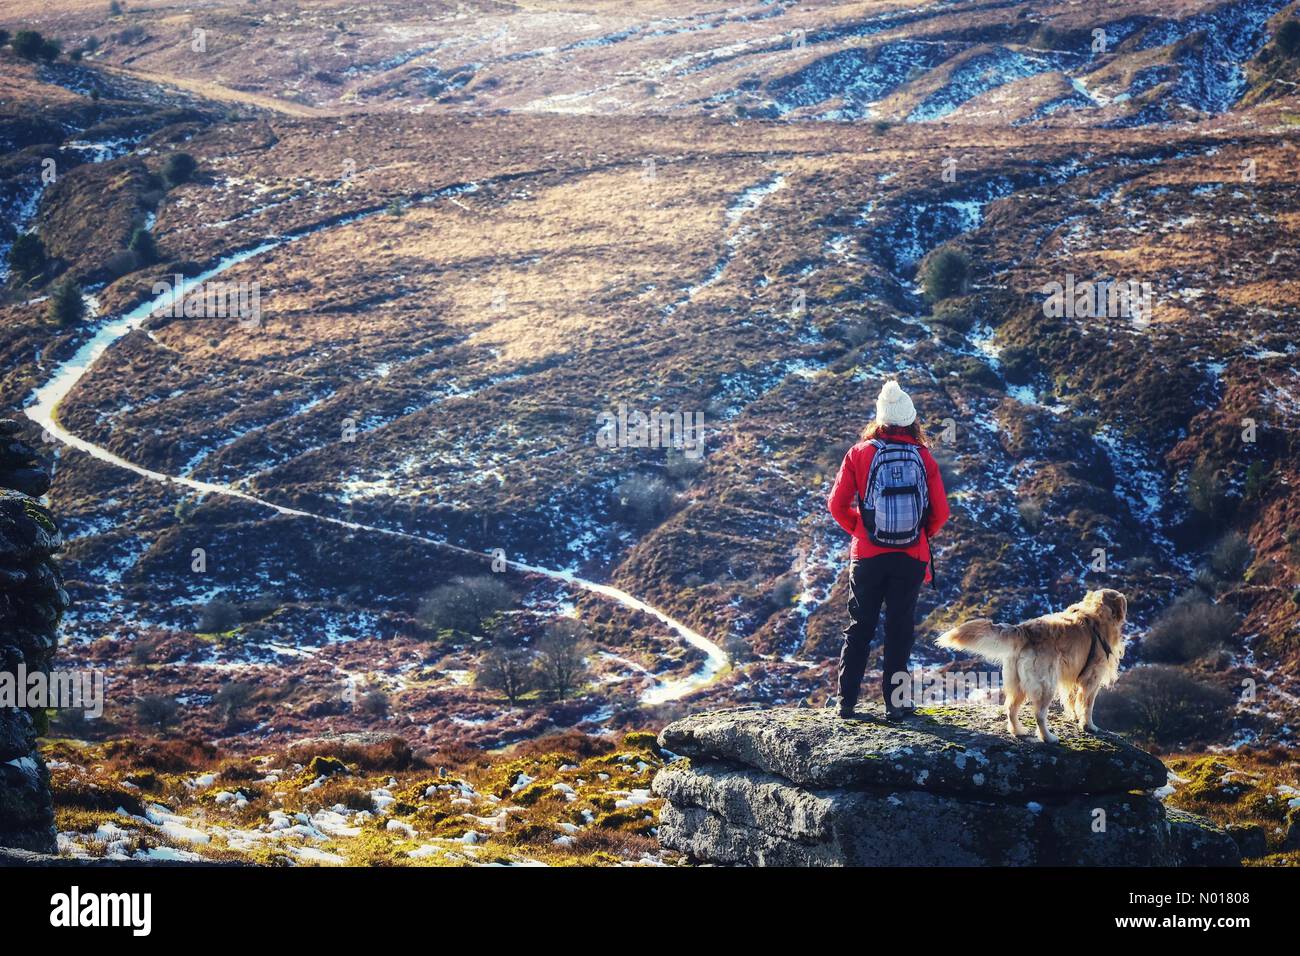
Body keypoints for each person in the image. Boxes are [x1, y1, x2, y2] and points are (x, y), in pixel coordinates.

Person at [827, 380, 950, 719]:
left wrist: (864, 531)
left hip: (867, 556)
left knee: (859, 628)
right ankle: (896, 704)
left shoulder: (859, 453)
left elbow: (836, 505)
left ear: (879, 420)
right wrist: (917, 535)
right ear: (911, 420)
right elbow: (941, 512)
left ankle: (846, 702)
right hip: (910, 557)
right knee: (899, 629)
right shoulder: (923, 456)